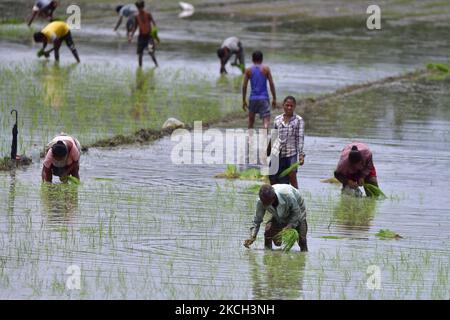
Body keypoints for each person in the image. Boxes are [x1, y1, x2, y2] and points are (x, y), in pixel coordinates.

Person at [244, 184, 308, 252]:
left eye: (267, 203)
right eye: (263, 202)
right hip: (279, 214)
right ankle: (267, 252)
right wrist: (253, 236)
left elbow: (296, 212)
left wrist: (290, 225)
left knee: (302, 239)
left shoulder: (287, 195)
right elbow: (257, 220)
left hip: (298, 210)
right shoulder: (261, 201)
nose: (264, 204)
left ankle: (304, 254)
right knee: (268, 232)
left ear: (273, 198)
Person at [269, 96, 305, 189]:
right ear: (283, 106)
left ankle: (297, 198)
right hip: (277, 152)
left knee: (292, 176)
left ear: (294, 107)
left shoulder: (298, 120)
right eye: (287, 105)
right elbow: (274, 136)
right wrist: (268, 151)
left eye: (291, 106)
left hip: (291, 153)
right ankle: (275, 198)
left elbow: (300, 138)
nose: (289, 108)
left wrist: (301, 155)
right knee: (273, 177)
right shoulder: (277, 119)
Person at [242, 51, 276, 130]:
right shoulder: (266, 69)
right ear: (262, 59)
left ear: (252, 59)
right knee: (266, 122)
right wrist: (274, 98)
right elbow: (271, 84)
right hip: (264, 98)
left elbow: (244, 86)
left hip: (253, 98)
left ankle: (250, 141)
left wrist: (243, 100)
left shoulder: (248, 70)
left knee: (251, 122)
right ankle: (265, 140)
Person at [129, 1, 158, 67]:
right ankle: (140, 69)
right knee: (140, 54)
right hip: (141, 37)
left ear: (143, 7)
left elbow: (154, 25)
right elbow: (135, 27)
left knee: (151, 52)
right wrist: (131, 36)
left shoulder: (148, 14)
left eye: (141, 8)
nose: (140, 10)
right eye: (138, 9)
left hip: (149, 37)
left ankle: (156, 65)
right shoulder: (137, 16)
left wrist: (155, 36)